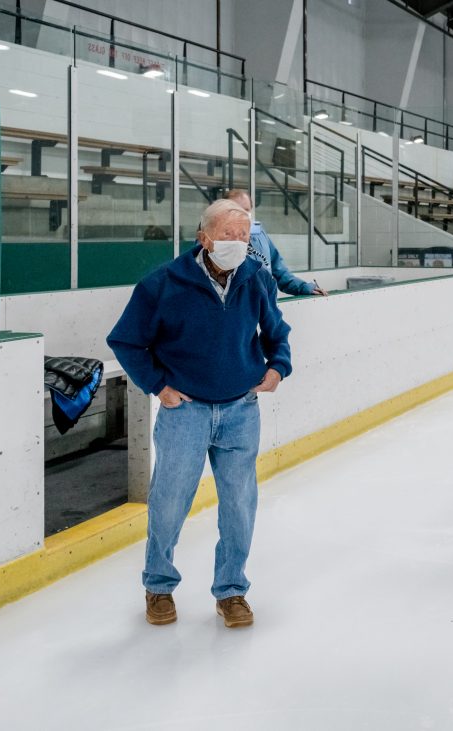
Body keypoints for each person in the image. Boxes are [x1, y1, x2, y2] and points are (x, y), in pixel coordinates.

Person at [107, 199, 292, 629]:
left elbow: (277, 332)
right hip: (185, 412)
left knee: (239, 505)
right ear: (204, 238)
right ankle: (159, 585)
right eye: (228, 235)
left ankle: (232, 591)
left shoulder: (256, 278)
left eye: (243, 235)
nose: (238, 243)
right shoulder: (162, 284)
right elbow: (126, 341)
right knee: (169, 502)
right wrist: (158, 386)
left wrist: (278, 367)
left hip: (240, 410)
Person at [224, 189, 328, 296]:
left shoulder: (258, 233)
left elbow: (278, 269)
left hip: (266, 303)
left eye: (246, 209)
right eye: (237, 209)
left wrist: (303, 287)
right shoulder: (219, 240)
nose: (242, 214)